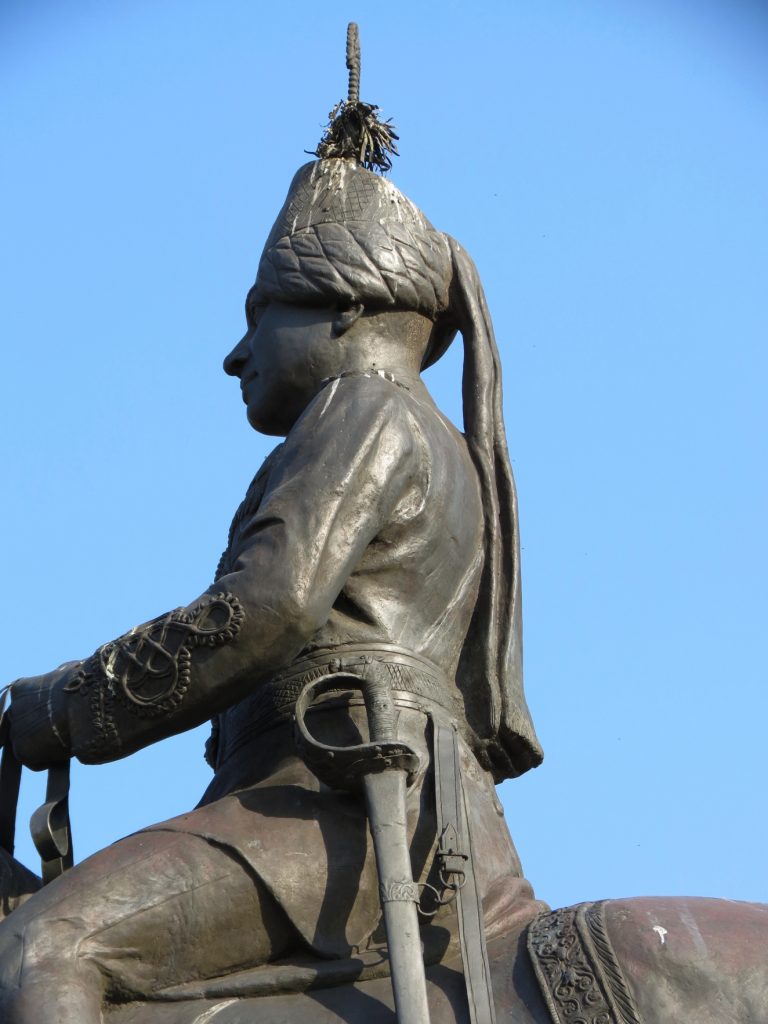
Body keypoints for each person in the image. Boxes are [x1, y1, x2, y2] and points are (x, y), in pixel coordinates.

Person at [0, 153, 546, 1022]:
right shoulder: (435, 438)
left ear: (347, 307)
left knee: (43, 945)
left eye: (261, 314)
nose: (235, 355)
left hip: (340, 806)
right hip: (399, 808)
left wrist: (68, 705)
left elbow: (266, 608)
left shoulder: (363, 405)